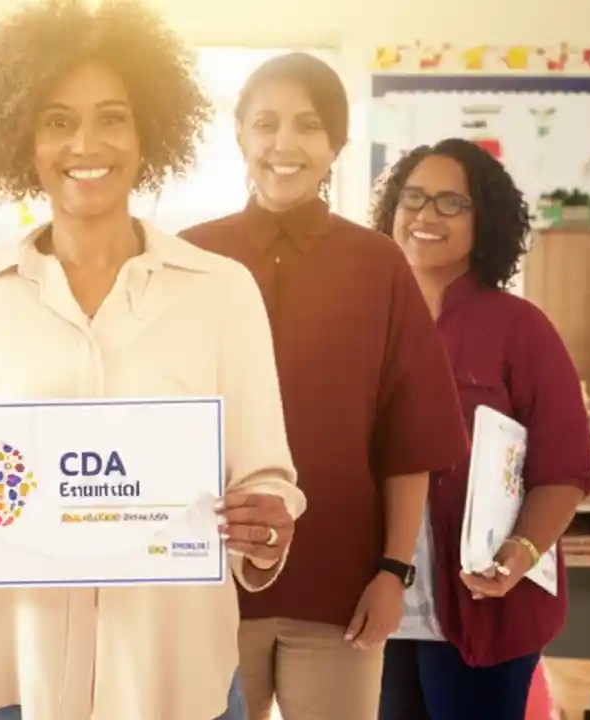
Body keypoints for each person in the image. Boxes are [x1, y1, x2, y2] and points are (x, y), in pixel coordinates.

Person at [0, 2, 303, 719]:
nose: (86, 143)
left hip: (174, 684)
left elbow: (266, 478)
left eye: (112, 117)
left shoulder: (221, 293)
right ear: (21, 137)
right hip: (13, 682)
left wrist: (265, 529)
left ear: (147, 132)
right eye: (58, 120)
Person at [178, 52, 468, 720]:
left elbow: (409, 439)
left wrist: (393, 573)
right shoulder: (187, 259)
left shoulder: (378, 265)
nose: (285, 143)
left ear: (336, 143)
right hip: (207, 585)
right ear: (240, 135)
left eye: (308, 125)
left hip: (343, 591)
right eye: (266, 123)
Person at [371, 138, 590, 720]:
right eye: (414, 197)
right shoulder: (363, 323)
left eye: (452, 203)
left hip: (482, 605)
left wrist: (522, 551)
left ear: (484, 219)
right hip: (376, 605)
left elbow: (565, 468)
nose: (426, 215)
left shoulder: (521, 328)